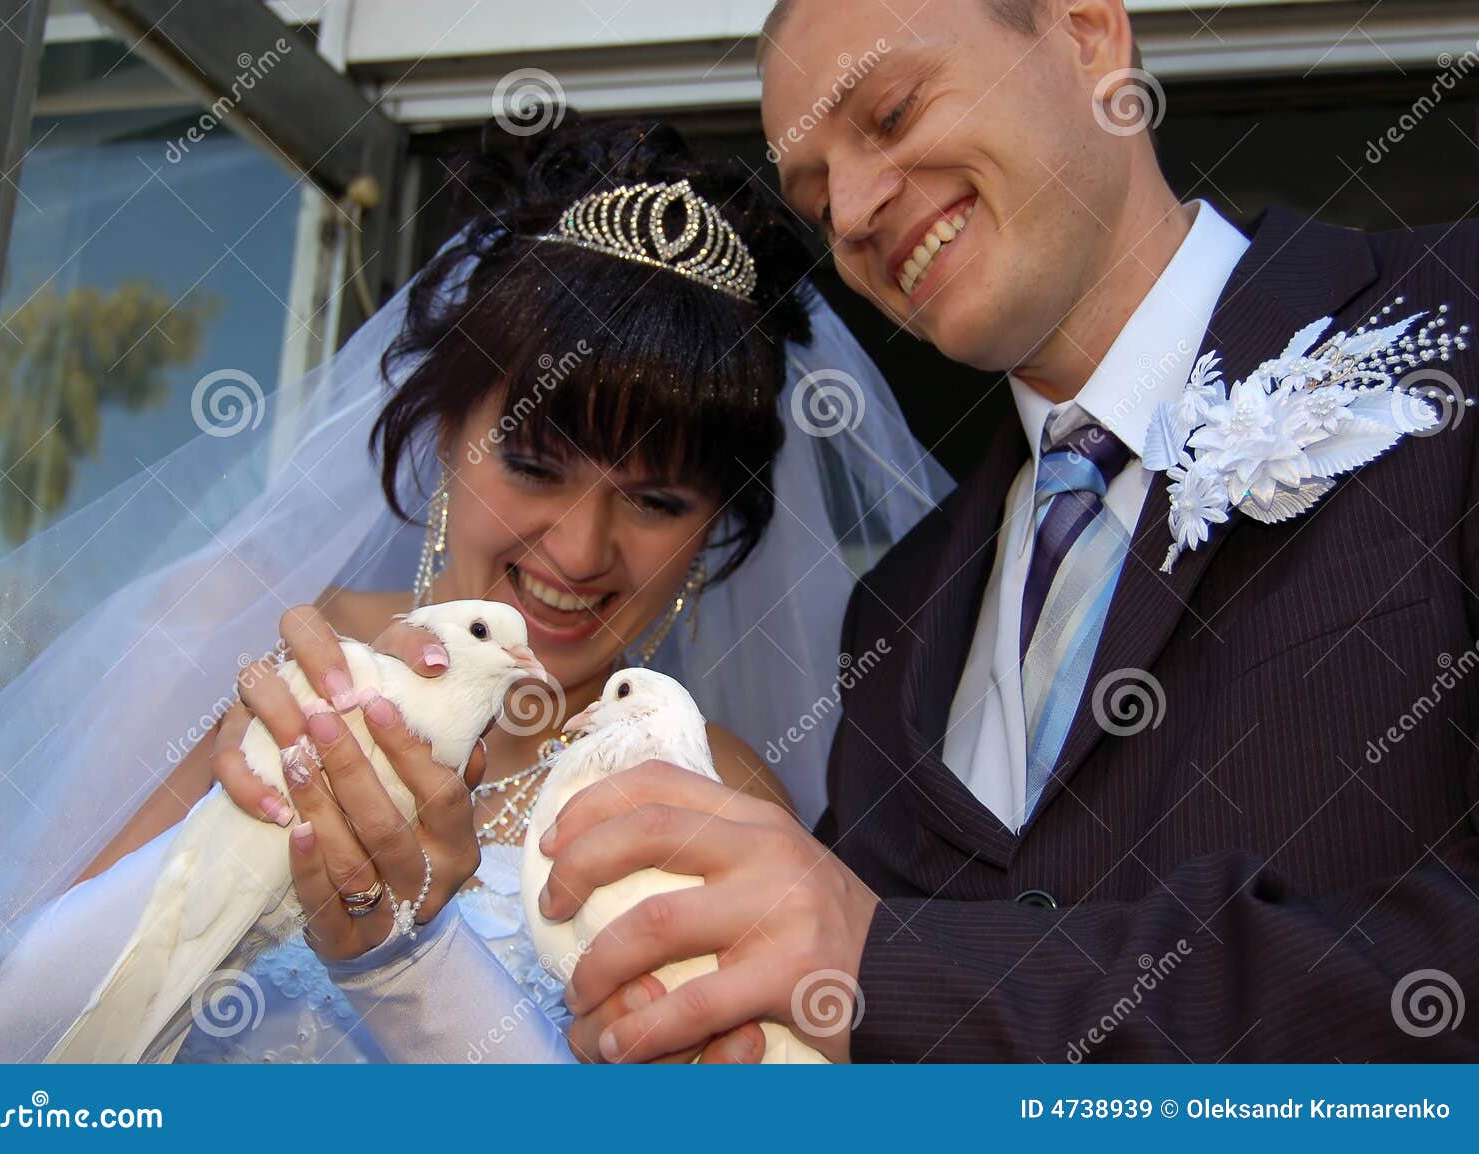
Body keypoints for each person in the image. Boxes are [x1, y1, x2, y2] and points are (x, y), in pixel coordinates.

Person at [0, 117, 949, 1063]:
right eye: (534, 466)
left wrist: (403, 952)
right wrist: (248, 844)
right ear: (444, 433)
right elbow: (4, 1048)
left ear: (713, 527)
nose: (579, 549)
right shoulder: (245, 647)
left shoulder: (709, 788)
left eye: (656, 499)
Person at [541, 0, 1479, 1063]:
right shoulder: (895, 613)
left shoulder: (1459, 318)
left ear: (1087, 35)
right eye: (812, 198)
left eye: (889, 114)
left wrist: (888, 969)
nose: (850, 210)